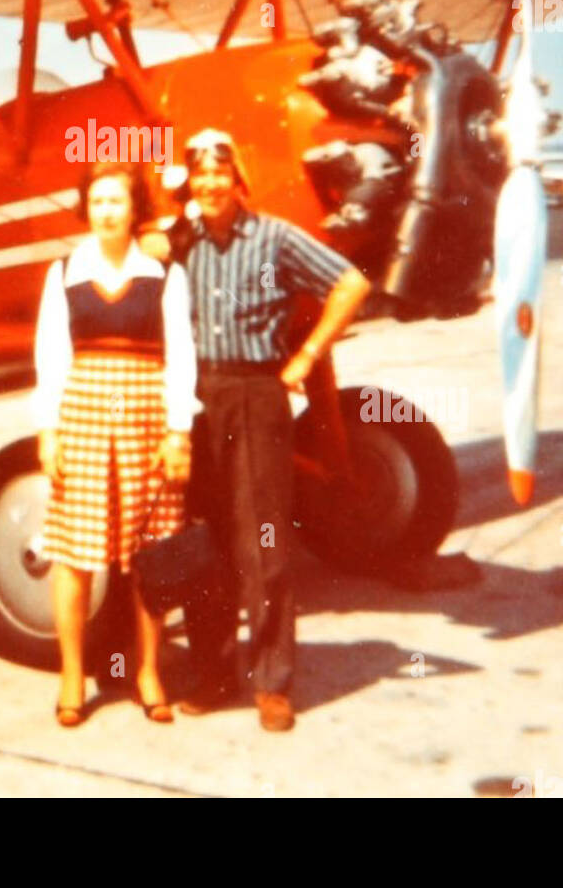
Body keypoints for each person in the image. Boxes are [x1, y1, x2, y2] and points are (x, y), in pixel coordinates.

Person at [173, 128, 371, 732]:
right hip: (198, 395)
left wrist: (307, 356)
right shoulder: (183, 242)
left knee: (263, 542)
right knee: (205, 545)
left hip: (259, 394)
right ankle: (213, 672)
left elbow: (352, 283)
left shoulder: (277, 237)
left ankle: (273, 682)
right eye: (198, 173)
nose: (210, 183)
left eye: (219, 172)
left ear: (238, 180)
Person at [33, 162, 196, 727]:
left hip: (146, 419)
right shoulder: (64, 273)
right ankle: (73, 673)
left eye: (117, 202)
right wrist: (47, 430)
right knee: (75, 554)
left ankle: (149, 669)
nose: (107, 212)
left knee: (152, 554)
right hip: (82, 418)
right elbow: (51, 357)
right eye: (97, 201)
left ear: (135, 210)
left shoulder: (164, 274)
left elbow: (182, 357)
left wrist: (180, 431)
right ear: (87, 209)